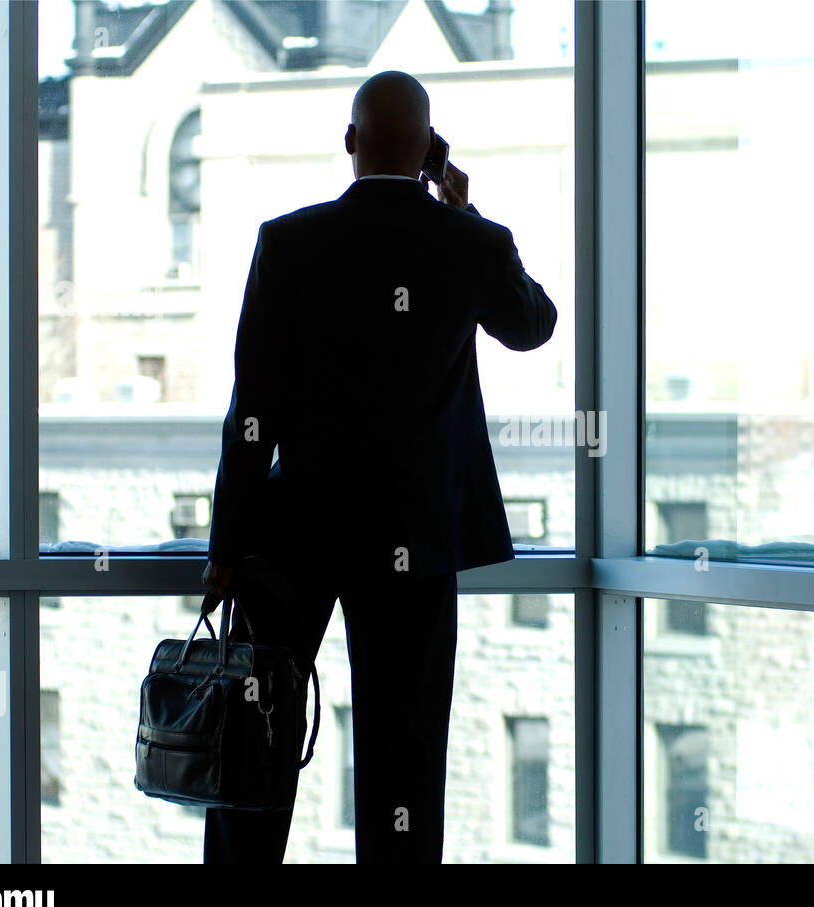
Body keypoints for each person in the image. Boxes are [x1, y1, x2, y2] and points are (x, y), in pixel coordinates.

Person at [198, 70, 557, 863]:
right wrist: (465, 211)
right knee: (404, 760)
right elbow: (534, 324)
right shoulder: (470, 244)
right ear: (430, 149)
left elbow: (251, 414)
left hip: (294, 536)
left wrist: (227, 548)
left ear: (351, 142)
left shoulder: (287, 243)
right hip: (414, 542)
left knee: (253, 749)